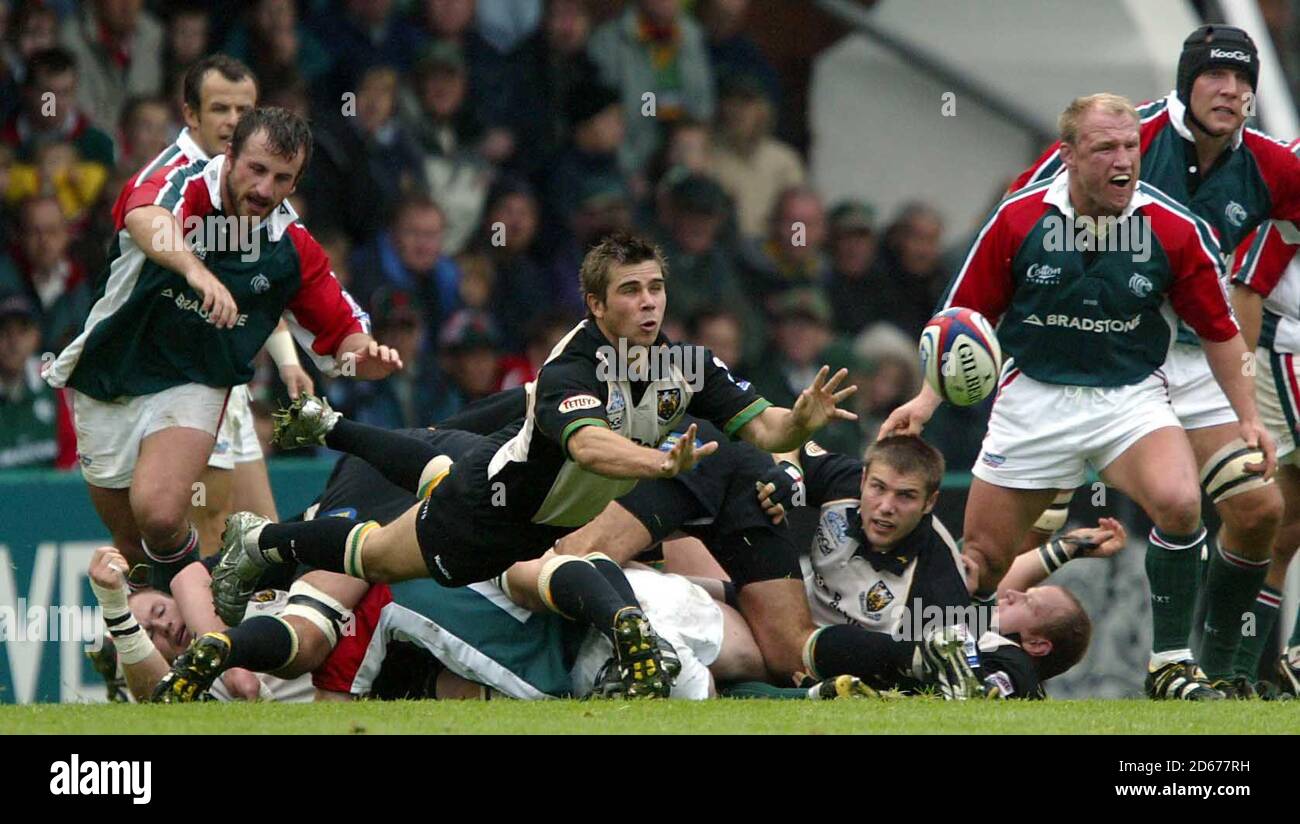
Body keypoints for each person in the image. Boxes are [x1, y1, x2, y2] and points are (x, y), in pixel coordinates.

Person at [209, 232, 857, 698]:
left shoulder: (685, 366)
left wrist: (802, 420)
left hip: (544, 520)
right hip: (494, 513)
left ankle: (300, 484)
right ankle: (265, 538)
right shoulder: (571, 368)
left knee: (415, 505)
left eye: (656, 288)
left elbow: (769, 427)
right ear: (597, 308)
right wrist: (655, 464)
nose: (649, 303)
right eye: (630, 291)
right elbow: (588, 446)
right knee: (375, 557)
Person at [882, 92, 1272, 700]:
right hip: (1035, 399)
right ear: (1067, 155)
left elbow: (1222, 334)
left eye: (1132, 148)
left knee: (1179, 503)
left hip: (1129, 399)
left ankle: (1171, 664)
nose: (1125, 161)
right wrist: (926, 400)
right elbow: (963, 318)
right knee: (981, 559)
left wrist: (1248, 418)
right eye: (1106, 148)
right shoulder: (1018, 219)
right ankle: (941, 663)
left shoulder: (1172, 228)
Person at [1007, 27, 1300, 695]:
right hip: (1097, 350)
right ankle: (985, 662)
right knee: (1026, 530)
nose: (1230, 91)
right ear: (1185, 81)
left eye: (1242, 79)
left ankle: (1217, 677)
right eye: (1214, 77)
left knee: (1258, 510)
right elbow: (1017, 217)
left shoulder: (1267, 162)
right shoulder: (1123, 135)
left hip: (1192, 361)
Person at [43, 107, 400, 620]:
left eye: (281, 178)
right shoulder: (179, 181)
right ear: (229, 155)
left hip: (195, 379)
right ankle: (163, 636)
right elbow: (145, 218)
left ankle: (214, 622)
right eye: (255, 169)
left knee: (160, 512)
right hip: (110, 372)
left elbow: (340, 328)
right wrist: (196, 270)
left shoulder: (288, 246)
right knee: (130, 540)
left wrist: (359, 354)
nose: (264, 188)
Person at [108, 56, 317, 587]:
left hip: (228, 382)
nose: (231, 118)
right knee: (202, 527)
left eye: (243, 109)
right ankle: (185, 652)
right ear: (191, 115)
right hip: (178, 379)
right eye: (219, 108)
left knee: (260, 533)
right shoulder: (171, 185)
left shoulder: (257, 194)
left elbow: (255, 294)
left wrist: (288, 361)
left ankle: (254, 658)